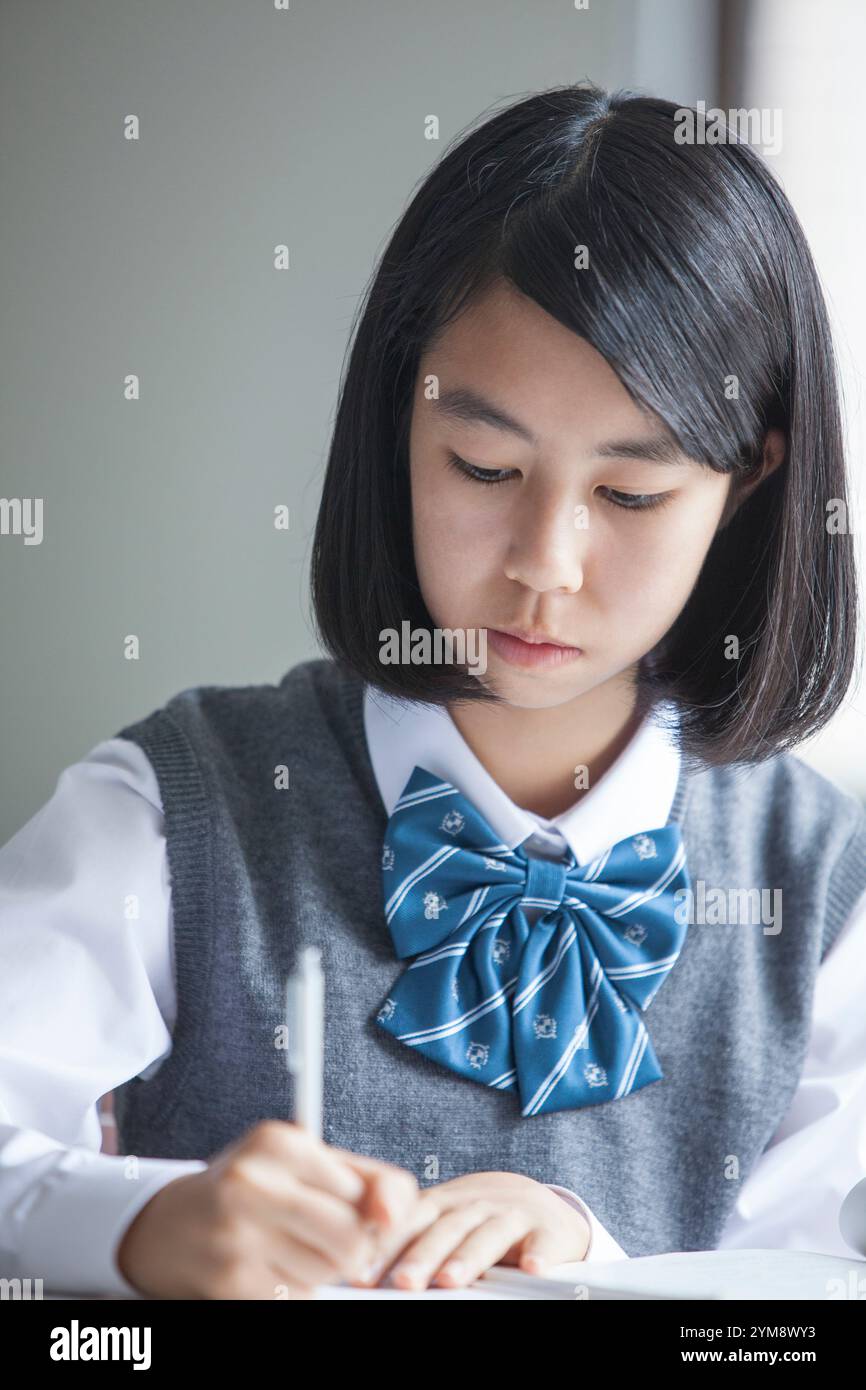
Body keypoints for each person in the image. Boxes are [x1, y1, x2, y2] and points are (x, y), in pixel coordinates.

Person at [2, 83, 865, 1300]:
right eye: (483, 465)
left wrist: (587, 1256)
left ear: (750, 479)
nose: (541, 566)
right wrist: (138, 1223)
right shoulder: (172, 807)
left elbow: (807, 1296)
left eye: (630, 494)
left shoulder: (825, 897)